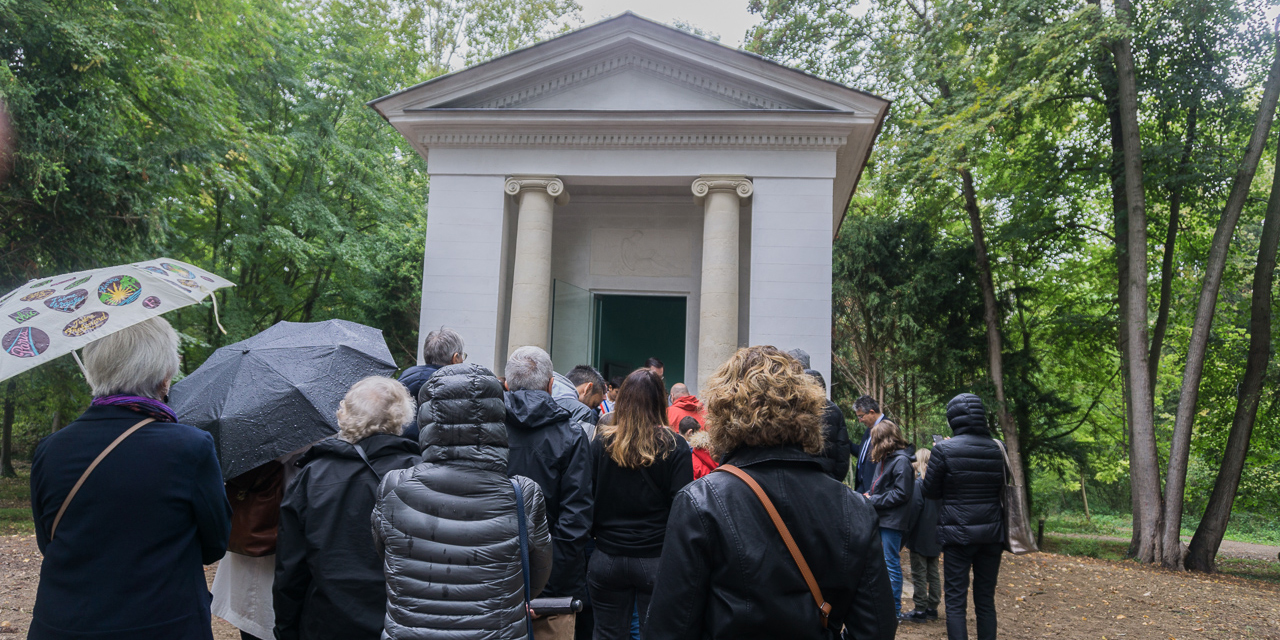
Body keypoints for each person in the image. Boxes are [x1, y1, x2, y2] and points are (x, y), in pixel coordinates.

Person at [645, 346, 896, 640]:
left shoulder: (701, 502)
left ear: (724, 413)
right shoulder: (853, 507)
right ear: (808, 412)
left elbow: (669, 628)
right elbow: (877, 628)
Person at [28, 318, 231, 640]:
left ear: (96, 370)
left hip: (62, 625)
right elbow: (215, 545)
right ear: (164, 375)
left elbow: (47, 542)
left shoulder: (51, 448)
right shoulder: (190, 447)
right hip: (164, 625)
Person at [373, 363, 553, 639]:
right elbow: (536, 577)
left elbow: (387, 558)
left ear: (427, 417)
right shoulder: (522, 494)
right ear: (496, 415)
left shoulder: (393, 486)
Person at [274, 377, 422, 640]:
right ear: (401, 417)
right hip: (399, 623)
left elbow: (291, 569)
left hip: (326, 623)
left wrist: (286, 629)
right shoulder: (419, 474)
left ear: (346, 413)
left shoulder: (311, 476)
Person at [588, 368, 693, 638]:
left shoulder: (602, 442)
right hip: (655, 557)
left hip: (607, 555)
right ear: (660, 400)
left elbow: (588, 495)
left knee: (607, 633)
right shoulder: (675, 445)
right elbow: (681, 507)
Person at [504, 347, 595, 619]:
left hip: (493, 571)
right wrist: (549, 585)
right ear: (551, 385)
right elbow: (576, 516)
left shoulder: (486, 428)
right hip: (554, 580)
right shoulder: (572, 434)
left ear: (507, 385)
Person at [922, 393, 1006, 640]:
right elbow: (1003, 484)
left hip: (957, 534)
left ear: (953, 419)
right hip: (992, 534)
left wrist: (940, 454)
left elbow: (930, 491)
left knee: (956, 603)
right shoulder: (999, 447)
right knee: (985, 601)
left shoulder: (944, 450)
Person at [862, 420, 915, 620]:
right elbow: (878, 489)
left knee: (891, 564)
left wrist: (872, 499)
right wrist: (867, 496)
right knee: (882, 564)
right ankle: (884, 608)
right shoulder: (885, 459)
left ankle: (894, 611)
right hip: (881, 518)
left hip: (892, 522)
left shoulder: (901, 461)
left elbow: (902, 494)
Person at [397, 327, 466, 442]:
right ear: (455, 358)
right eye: (462, 356)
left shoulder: (403, 381)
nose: (463, 361)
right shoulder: (456, 390)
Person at [905, 447, 942, 623]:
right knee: (933, 572)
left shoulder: (919, 485)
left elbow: (914, 510)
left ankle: (920, 609)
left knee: (919, 573)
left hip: (919, 535)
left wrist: (906, 532)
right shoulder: (940, 486)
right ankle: (933, 607)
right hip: (936, 535)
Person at [802, 368, 852, 482]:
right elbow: (843, 450)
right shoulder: (835, 410)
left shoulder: (797, 409)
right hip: (829, 477)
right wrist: (836, 479)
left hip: (803, 475)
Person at [853, 395, 894, 493]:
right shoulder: (869, 429)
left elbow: (889, 462)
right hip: (863, 486)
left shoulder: (888, 428)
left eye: (861, 416)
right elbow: (863, 454)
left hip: (875, 490)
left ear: (872, 412)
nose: (860, 420)